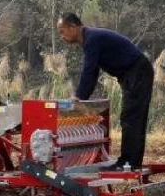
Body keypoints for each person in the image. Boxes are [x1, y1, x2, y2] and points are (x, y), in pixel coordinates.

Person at [56, 13, 154, 170]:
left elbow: (89, 71)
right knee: (133, 118)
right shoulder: (90, 39)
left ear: (73, 27)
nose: (61, 36)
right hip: (134, 73)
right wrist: (82, 97)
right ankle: (131, 162)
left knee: (131, 118)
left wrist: (79, 97)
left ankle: (128, 163)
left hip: (137, 72)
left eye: (62, 31)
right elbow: (93, 72)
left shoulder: (92, 39)